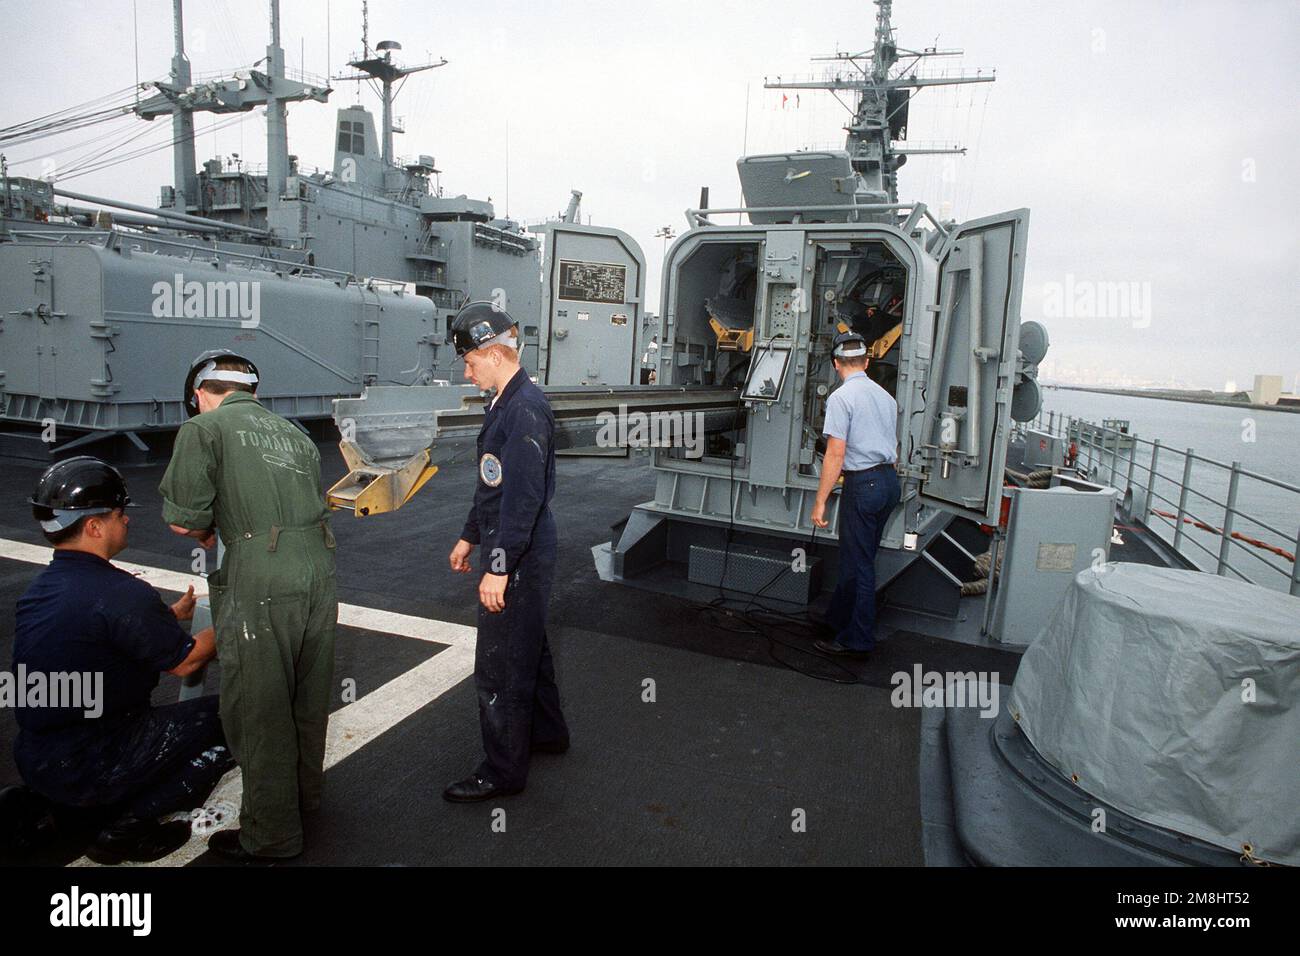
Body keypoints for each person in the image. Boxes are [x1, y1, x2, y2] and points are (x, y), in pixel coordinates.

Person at [159, 349, 337, 862]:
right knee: (306, 694)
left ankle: (272, 834)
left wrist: (216, 525)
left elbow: (185, 520)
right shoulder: (296, 434)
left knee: (258, 706)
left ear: (199, 395)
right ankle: (305, 800)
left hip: (261, 572)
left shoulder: (202, 431)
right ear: (252, 391)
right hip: (319, 570)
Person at [10, 456, 230, 864]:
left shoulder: (44, 589)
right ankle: (129, 828)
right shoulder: (121, 592)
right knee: (232, 717)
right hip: (93, 761)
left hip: (37, 757)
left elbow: (90, 633)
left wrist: (167, 616)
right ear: (94, 526)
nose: (126, 521)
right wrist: (237, 614)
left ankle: (61, 809)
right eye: (119, 514)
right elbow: (185, 663)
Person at [445, 301, 570, 802]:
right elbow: (493, 484)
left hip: (518, 549)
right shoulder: (505, 401)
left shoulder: (523, 408)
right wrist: (470, 534)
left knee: (499, 663)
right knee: (529, 644)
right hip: (512, 541)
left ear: (494, 353)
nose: (466, 371)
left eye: (470, 362)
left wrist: (497, 568)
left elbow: (522, 500)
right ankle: (546, 734)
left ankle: (502, 772)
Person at [810, 329, 901, 658]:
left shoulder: (841, 398)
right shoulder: (886, 398)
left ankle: (857, 639)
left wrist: (820, 500)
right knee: (858, 559)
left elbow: (835, 453)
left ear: (836, 364)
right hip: (889, 483)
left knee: (859, 564)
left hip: (865, 486)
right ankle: (837, 620)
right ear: (867, 361)